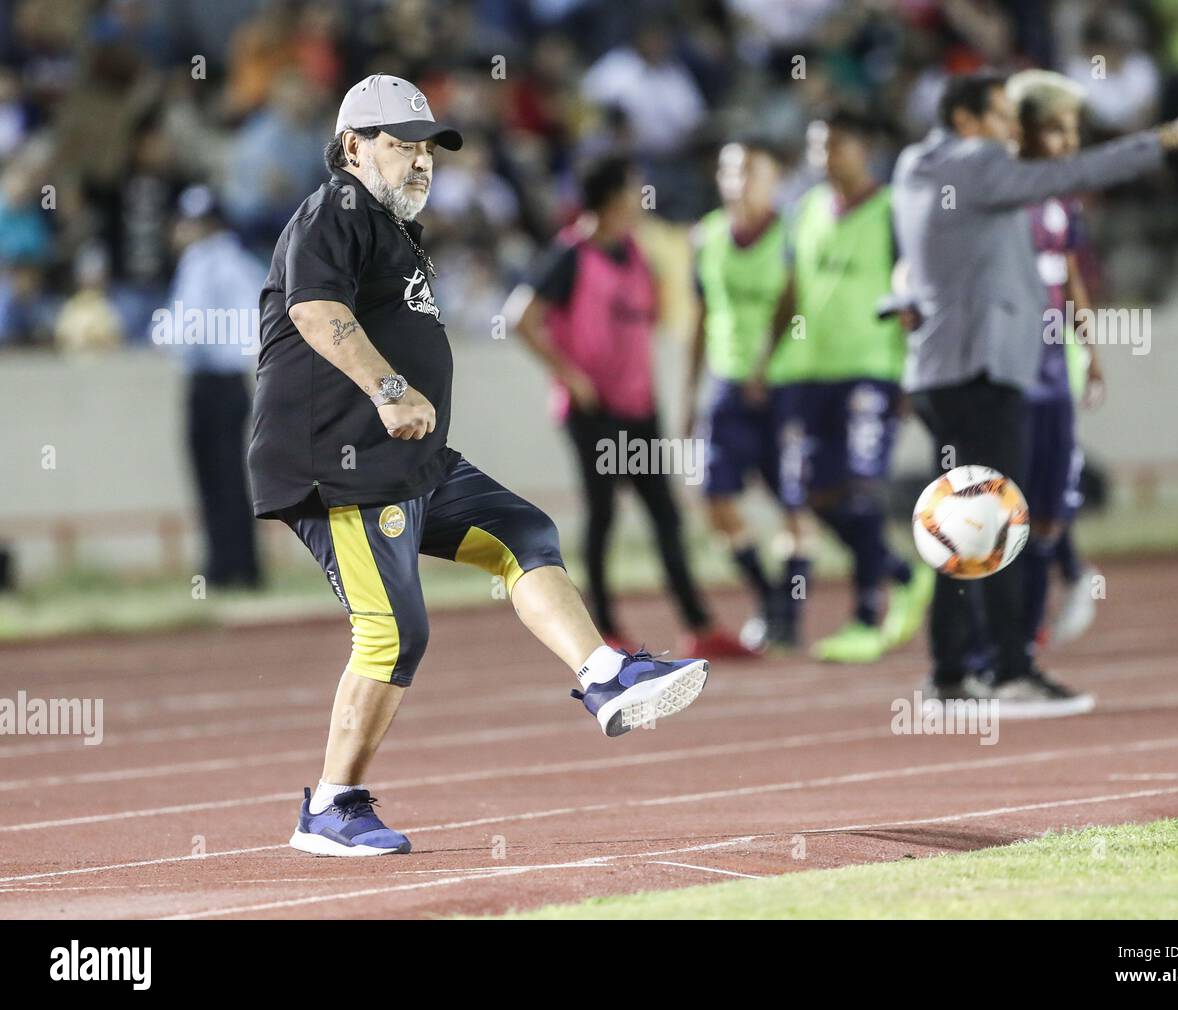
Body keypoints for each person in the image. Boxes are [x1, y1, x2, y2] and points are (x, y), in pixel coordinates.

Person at [248, 75, 710, 857]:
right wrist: (390, 389)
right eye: (402, 145)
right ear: (353, 146)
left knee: (523, 531)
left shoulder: (395, 231)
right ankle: (330, 806)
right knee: (393, 633)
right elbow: (316, 310)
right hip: (344, 460)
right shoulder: (340, 206)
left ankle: (603, 675)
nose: (422, 163)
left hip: (409, 461)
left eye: (429, 148)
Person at [891, 70, 1178, 712]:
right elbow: (1071, 174)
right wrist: (1161, 142)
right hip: (983, 372)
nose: (1009, 130)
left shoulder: (914, 165)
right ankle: (1009, 672)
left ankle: (952, 674)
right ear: (964, 121)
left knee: (963, 524)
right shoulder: (979, 163)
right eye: (997, 116)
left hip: (940, 372)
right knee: (995, 523)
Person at [511, 153, 752, 658]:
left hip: (638, 408)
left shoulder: (636, 254)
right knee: (603, 516)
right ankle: (603, 630)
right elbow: (520, 319)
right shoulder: (569, 254)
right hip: (593, 411)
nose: (642, 198)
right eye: (633, 189)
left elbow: (655, 315)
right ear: (612, 197)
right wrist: (571, 375)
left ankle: (698, 624)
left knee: (666, 516)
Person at [751, 107, 933, 664]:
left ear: (864, 147)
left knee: (858, 487)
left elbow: (915, 291)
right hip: (808, 372)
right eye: (816, 147)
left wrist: (911, 367)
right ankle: (903, 573)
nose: (823, 157)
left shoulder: (892, 211)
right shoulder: (802, 211)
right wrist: (767, 356)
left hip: (869, 370)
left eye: (835, 145)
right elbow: (790, 290)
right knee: (811, 493)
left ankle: (865, 618)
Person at [684, 139, 814, 650]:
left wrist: (767, 364)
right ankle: (768, 597)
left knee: (792, 502)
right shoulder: (707, 236)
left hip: (784, 384)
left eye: (751, 172)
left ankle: (791, 616)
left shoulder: (793, 234)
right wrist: (692, 391)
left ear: (773, 180)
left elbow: (796, 306)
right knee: (713, 498)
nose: (739, 182)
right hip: (725, 382)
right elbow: (700, 315)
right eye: (731, 171)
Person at [1005, 70, 1105, 655]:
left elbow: (1070, 281)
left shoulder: (1061, 198)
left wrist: (1090, 353)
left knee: (1045, 496)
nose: (1069, 142)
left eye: (1073, 130)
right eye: (1057, 129)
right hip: (1006, 364)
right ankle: (1024, 616)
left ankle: (1029, 624)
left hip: (1052, 363)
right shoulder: (995, 191)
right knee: (1009, 495)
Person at [165, 185, 264, 589]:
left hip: (217, 381)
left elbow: (187, 326)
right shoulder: (223, 261)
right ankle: (232, 563)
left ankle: (232, 566)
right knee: (219, 475)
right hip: (214, 381)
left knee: (220, 475)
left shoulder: (214, 261)